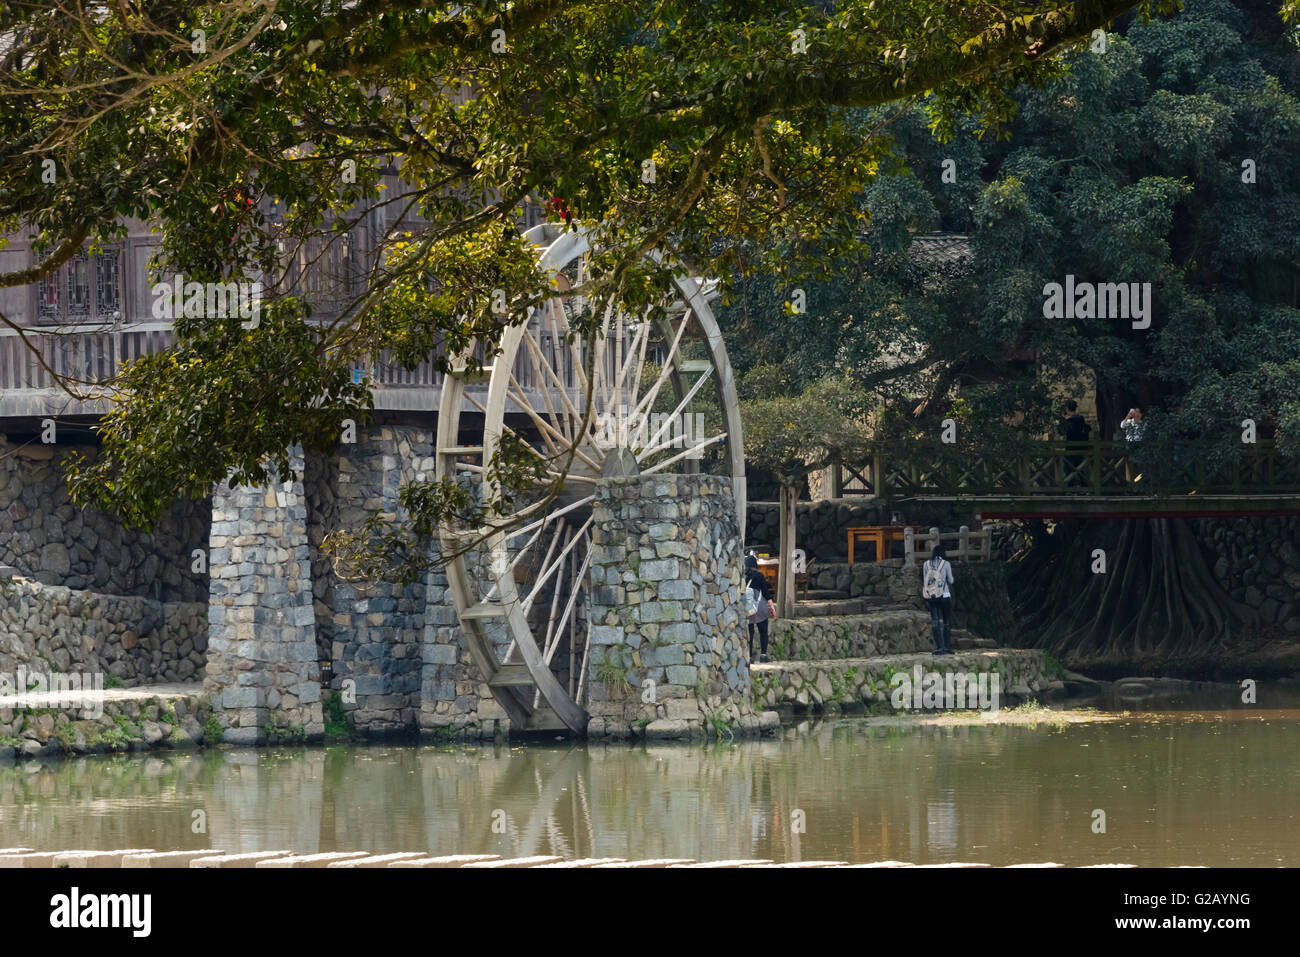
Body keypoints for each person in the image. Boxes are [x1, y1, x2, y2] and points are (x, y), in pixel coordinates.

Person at [920, 544, 954, 655]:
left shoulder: (926, 564)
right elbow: (951, 580)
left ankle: (939, 647)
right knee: (946, 622)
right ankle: (947, 647)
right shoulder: (946, 564)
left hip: (931, 596)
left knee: (935, 621)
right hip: (944, 595)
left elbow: (925, 579)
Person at [743, 554, 774, 663]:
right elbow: (765, 592)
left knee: (750, 632)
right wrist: (771, 606)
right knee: (763, 631)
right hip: (760, 606)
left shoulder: (743, 576)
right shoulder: (759, 575)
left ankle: (750, 657)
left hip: (748, 606)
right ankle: (763, 656)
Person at [1060, 399, 1091, 488]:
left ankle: (1070, 488)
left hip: (1071, 447)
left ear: (1067, 409)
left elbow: (1062, 431)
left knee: (1069, 469)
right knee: (1081, 469)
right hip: (1082, 447)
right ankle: (1084, 487)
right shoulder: (1081, 419)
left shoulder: (1068, 421)